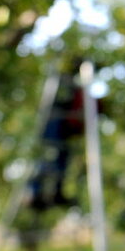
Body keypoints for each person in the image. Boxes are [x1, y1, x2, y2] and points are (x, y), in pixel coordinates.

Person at [27, 59, 88, 211]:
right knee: (48, 160)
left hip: (63, 131)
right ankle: (42, 194)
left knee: (57, 161)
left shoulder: (73, 94)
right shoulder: (57, 91)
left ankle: (55, 193)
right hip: (56, 128)